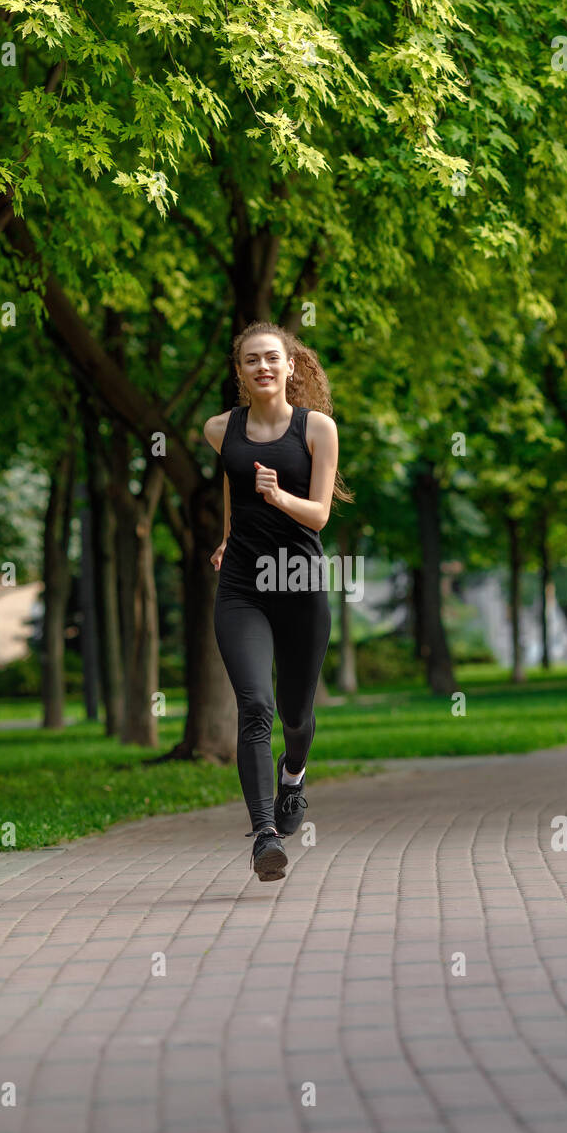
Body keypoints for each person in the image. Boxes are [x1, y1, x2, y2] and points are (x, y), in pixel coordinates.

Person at [203, 321, 350, 881]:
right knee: (256, 705)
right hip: (242, 586)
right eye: (250, 361)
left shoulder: (318, 429)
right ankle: (265, 834)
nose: (262, 368)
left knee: (296, 714)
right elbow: (232, 482)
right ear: (239, 373)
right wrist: (226, 534)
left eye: (272, 358)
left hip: (298, 581)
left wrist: (278, 494)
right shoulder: (221, 429)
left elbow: (318, 515)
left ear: (291, 366)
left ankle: (294, 773)